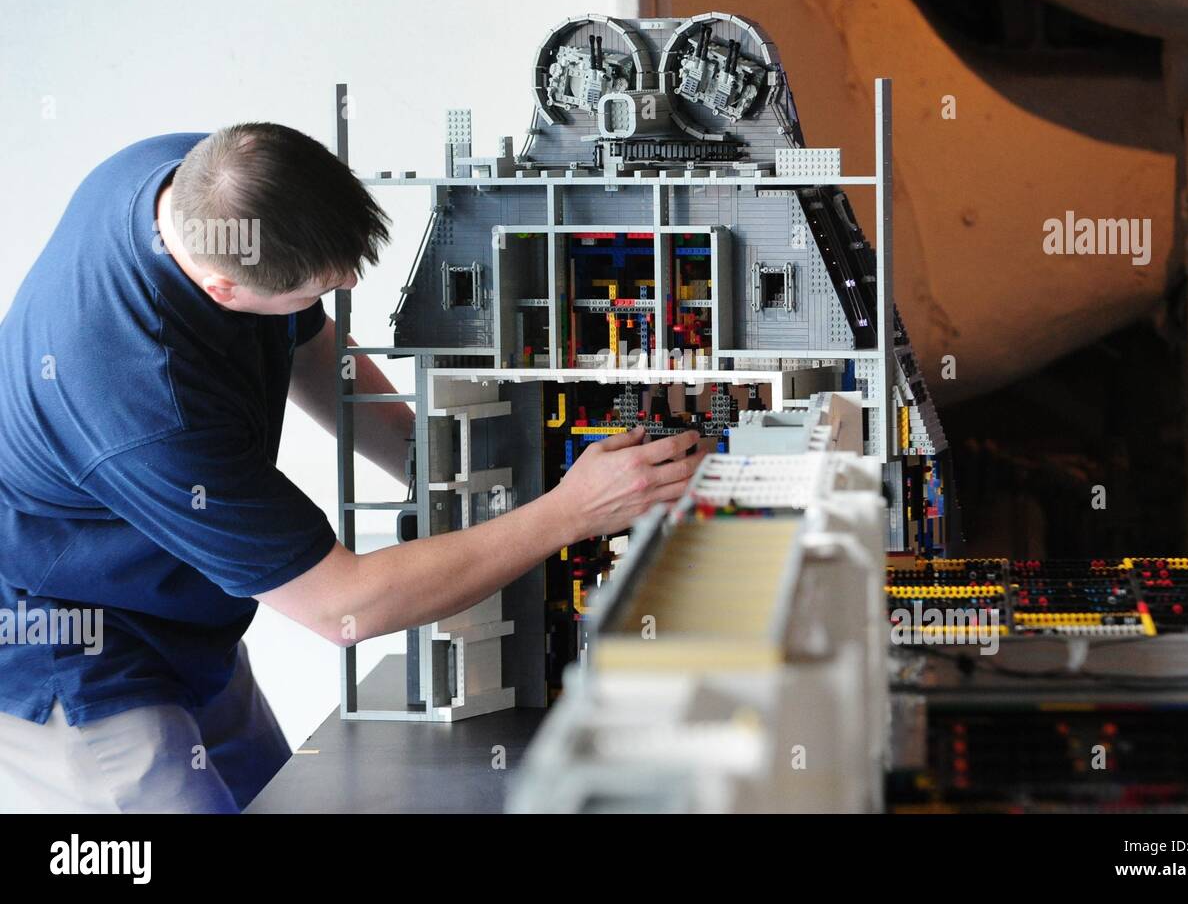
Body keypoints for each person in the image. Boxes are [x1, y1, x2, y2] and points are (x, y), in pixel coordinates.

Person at [0, 124, 702, 812]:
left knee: (274, 796)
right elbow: (344, 607)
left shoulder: (201, 178)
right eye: (314, 291)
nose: (332, 295)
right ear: (223, 290)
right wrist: (573, 510)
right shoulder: (145, 407)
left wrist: (429, 465)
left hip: (176, 602)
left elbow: (307, 344)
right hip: (65, 638)